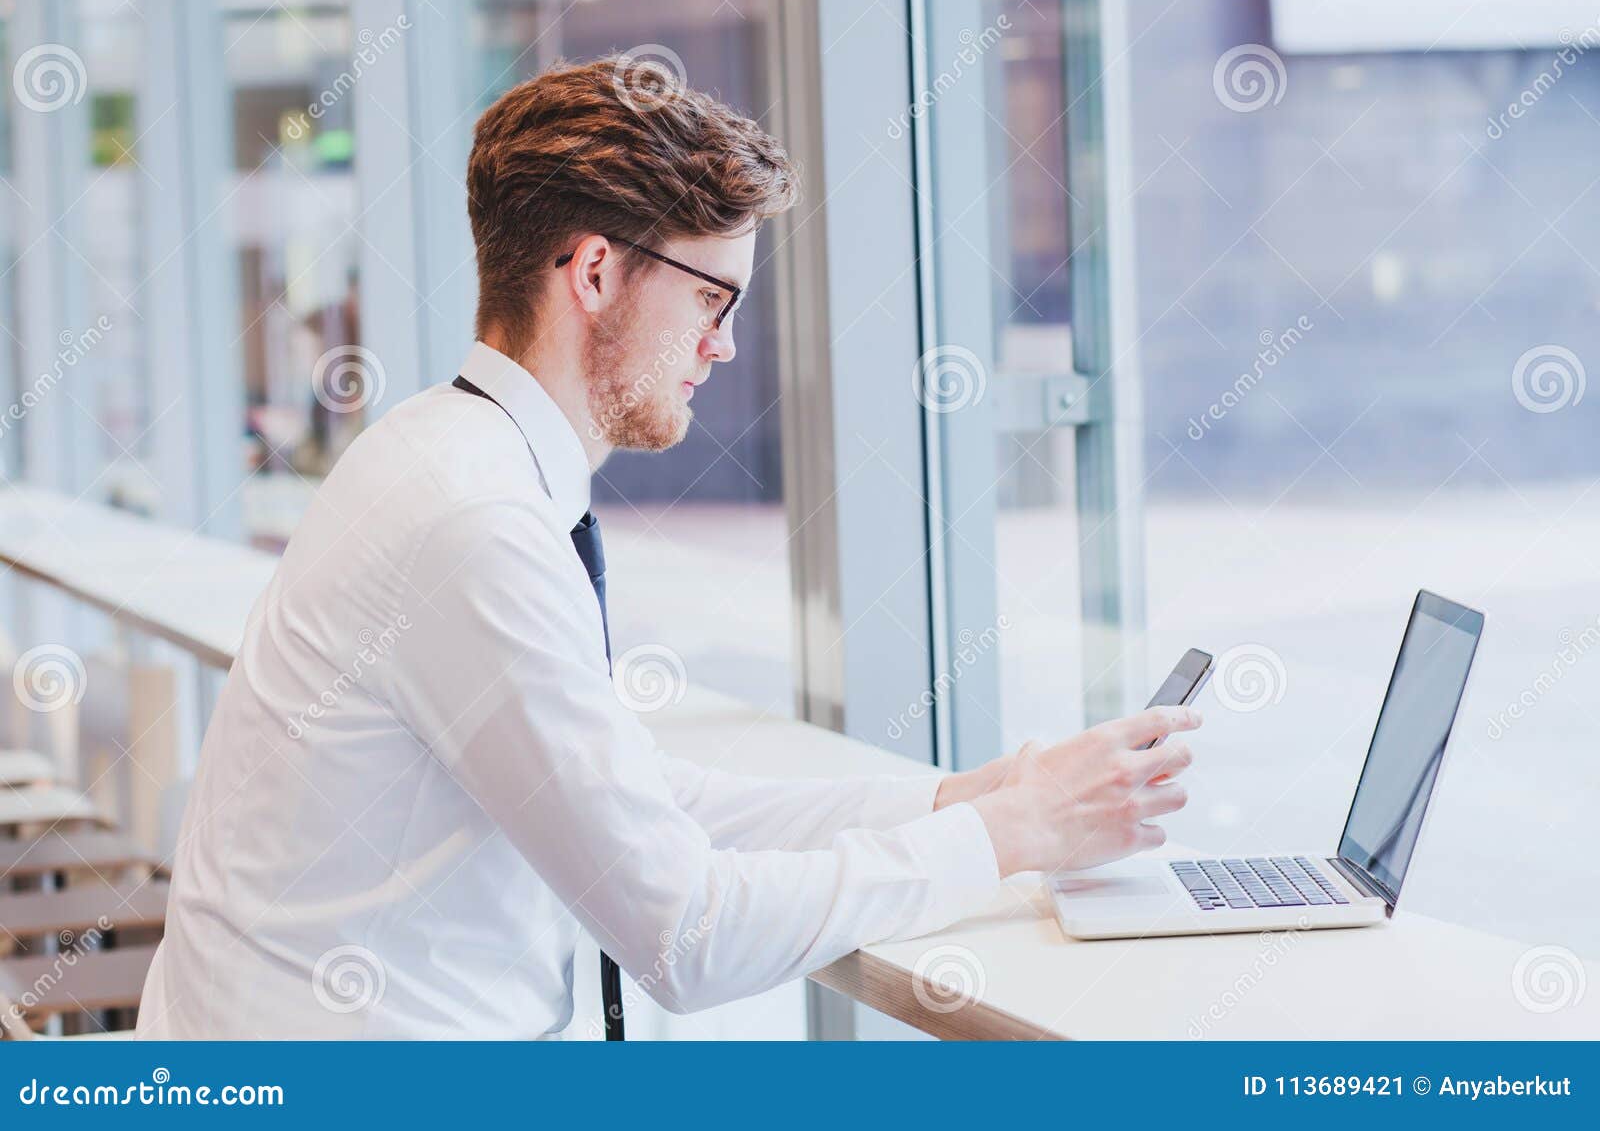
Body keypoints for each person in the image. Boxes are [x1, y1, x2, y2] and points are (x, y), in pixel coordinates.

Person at [136, 57, 1197, 1039]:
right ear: (593, 272)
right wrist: (1009, 836)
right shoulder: (474, 525)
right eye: (710, 295)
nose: (724, 342)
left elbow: (643, 800)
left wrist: (967, 797)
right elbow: (687, 937)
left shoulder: (442, 451)